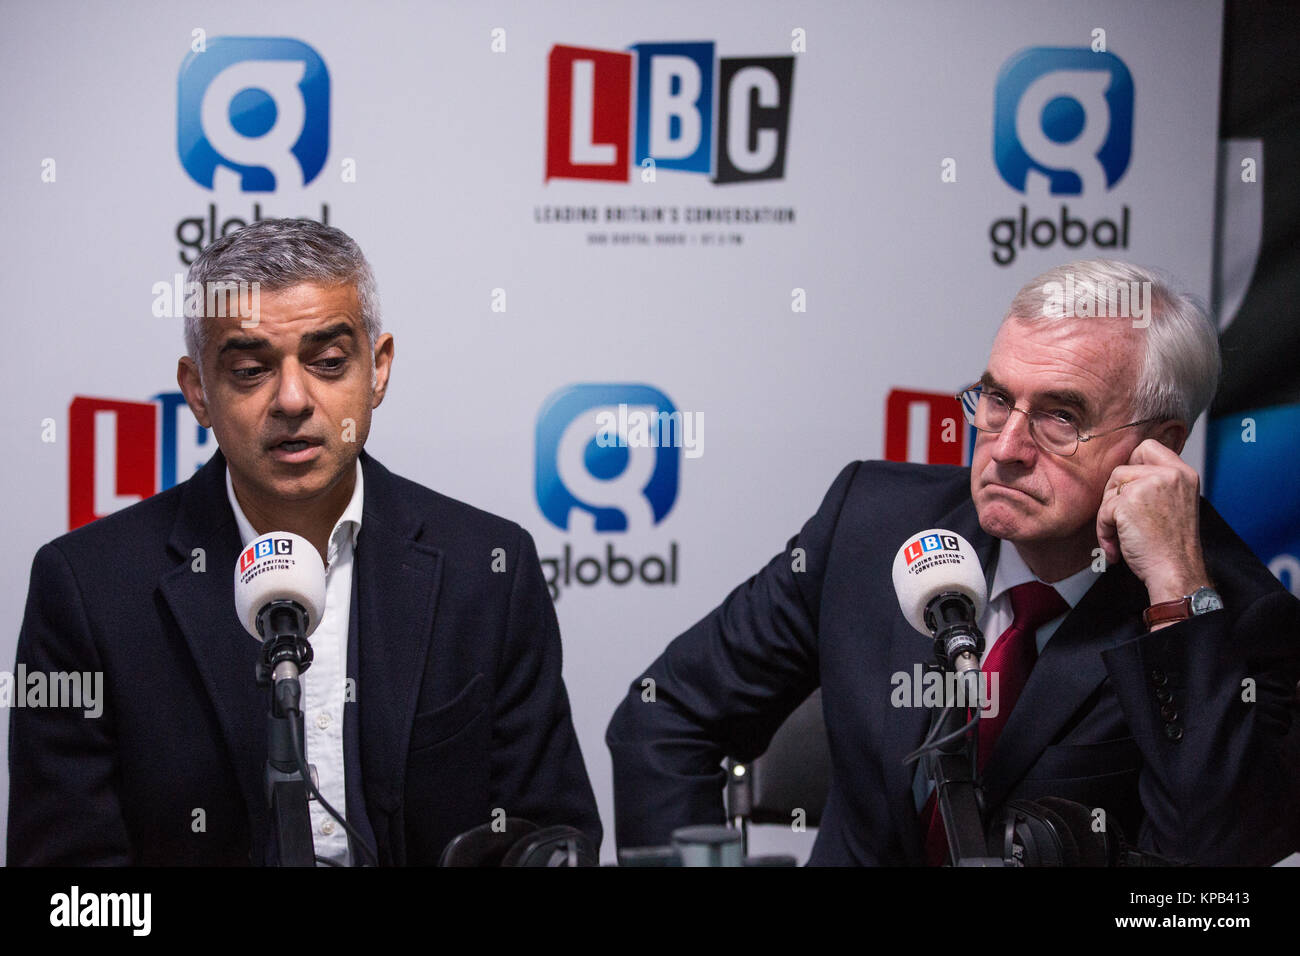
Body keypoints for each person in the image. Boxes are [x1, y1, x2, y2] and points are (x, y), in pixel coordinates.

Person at [606, 259, 1300, 866]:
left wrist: (1174, 592)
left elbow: (1215, 868)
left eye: (1060, 416)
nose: (1004, 448)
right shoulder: (868, 524)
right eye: (997, 399)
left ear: (1159, 445)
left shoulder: (1235, 617)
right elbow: (666, 714)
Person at [9, 218, 600, 865]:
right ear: (197, 391)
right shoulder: (89, 588)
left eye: (327, 362)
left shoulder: (488, 569)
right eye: (249, 369)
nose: (292, 399)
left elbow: (548, 838)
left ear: (378, 369)